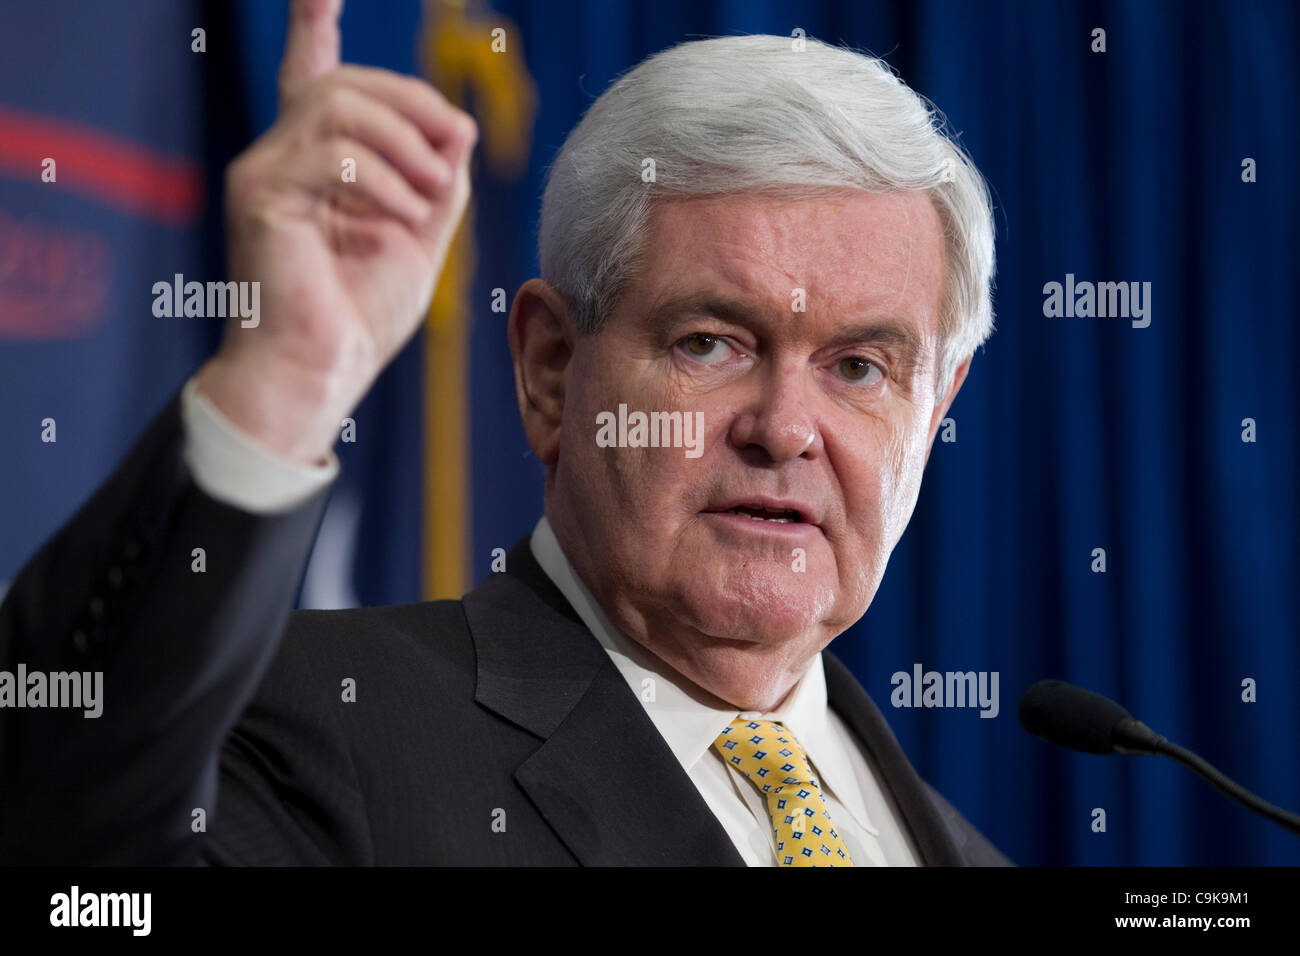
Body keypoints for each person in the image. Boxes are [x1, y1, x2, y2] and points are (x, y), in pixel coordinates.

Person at [0, 0, 1008, 866]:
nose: (784, 427)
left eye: (860, 367)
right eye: (710, 343)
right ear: (549, 369)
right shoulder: (314, 730)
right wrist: (280, 385)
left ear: (937, 408)